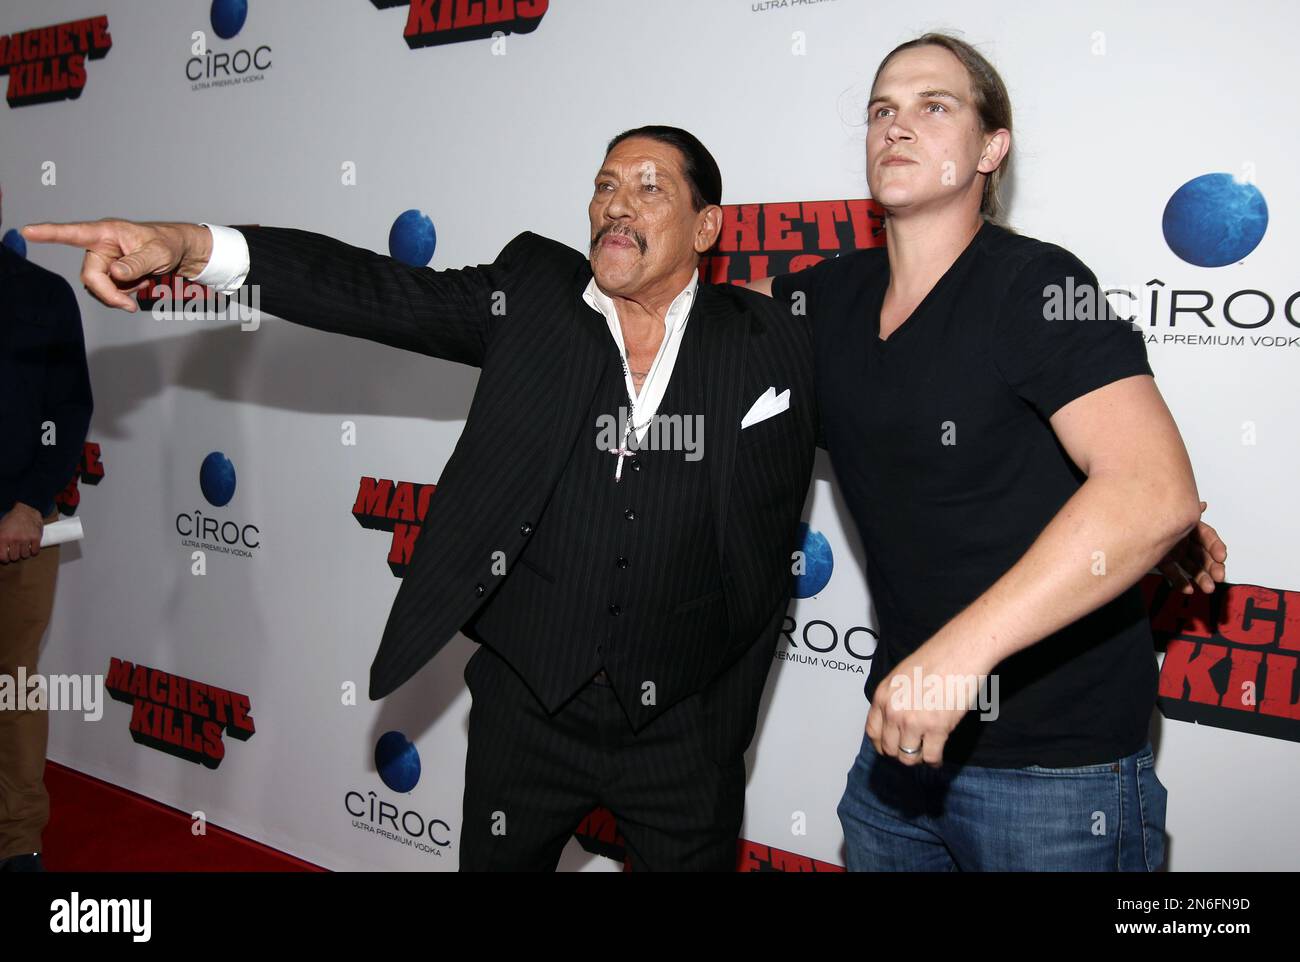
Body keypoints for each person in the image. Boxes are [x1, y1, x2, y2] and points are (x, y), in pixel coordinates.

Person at [23, 127, 819, 871]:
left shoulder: (767, 337)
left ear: (707, 228)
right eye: (604, 185)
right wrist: (193, 247)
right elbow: (370, 289)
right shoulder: (533, 294)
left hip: (682, 734)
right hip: (528, 714)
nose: (615, 203)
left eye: (647, 189)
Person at [752, 33, 1227, 871]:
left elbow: (1153, 492)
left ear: (990, 148)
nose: (897, 127)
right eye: (881, 111)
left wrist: (956, 657)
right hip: (896, 767)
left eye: (934, 106)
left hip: (1056, 776)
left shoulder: (1038, 285)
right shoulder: (827, 296)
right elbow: (697, 318)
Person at [0, 184, 95, 873]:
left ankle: (17, 842)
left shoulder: (42, 296)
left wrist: (31, 503)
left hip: (20, 531)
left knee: (11, 683)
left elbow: (68, 406)